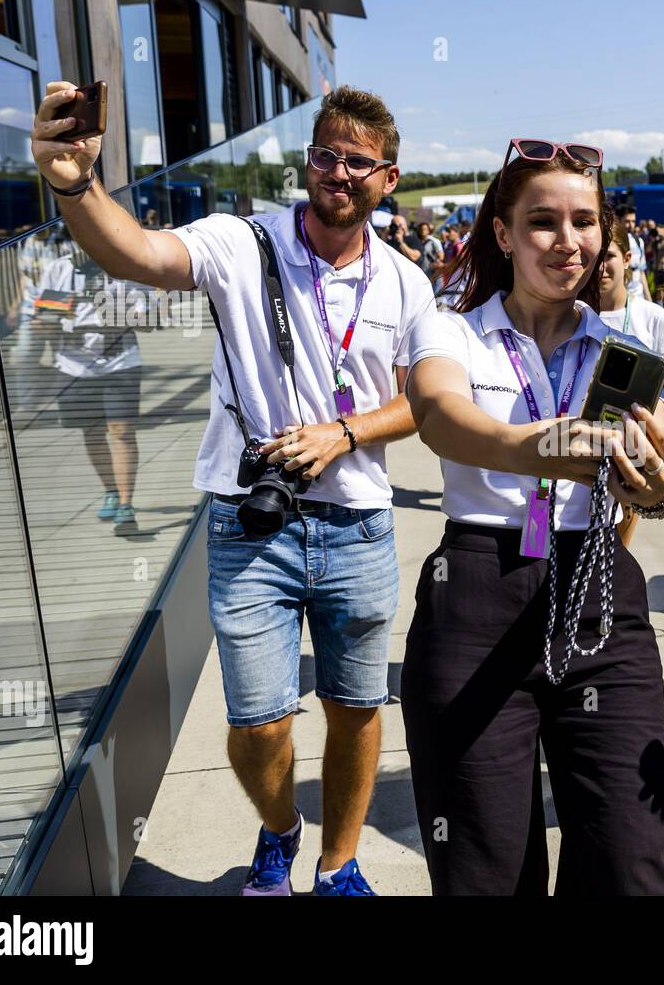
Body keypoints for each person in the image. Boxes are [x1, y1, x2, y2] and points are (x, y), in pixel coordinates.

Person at [32, 82, 432, 896]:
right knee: (258, 721)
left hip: (357, 524)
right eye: (327, 155)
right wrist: (75, 183)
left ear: (389, 180)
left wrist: (344, 432)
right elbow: (135, 254)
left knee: (356, 710)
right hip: (253, 526)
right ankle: (281, 829)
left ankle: (338, 862)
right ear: (307, 163)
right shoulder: (239, 242)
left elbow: (423, 399)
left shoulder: (405, 282)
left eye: (360, 163)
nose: (340, 172)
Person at [403, 138, 664, 895]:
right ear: (502, 233)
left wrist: (662, 483)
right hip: (475, 590)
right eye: (543, 222)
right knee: (483, 868)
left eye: (585, 221)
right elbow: (439, 416)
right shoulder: (450, 330)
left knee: (634, 856)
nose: (569, 241)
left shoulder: (623, 351)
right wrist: (533, 448)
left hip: (599, 592)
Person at [36, 249, 142, 535]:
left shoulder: (124, 261)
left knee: (121, 429)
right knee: (92, 431)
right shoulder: (59, 269)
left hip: (120, 360)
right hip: (73, 364)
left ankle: (125, 501)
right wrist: (51, 320)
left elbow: (149, 314)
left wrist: (130, 317)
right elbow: (46, 318)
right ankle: (110, 489)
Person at [598, 221, 664, 547]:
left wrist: (643, 396)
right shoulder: (569, 316)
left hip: (631, 452)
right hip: (578, 449)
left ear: (627, 258)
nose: (601, 268)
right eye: (594, 258)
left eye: (609, 256)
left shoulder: (655, 320)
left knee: (615, 555)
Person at [616, 205, 648, 296]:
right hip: (621, 297)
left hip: (639, 295)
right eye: (627, 221)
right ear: (618, 221)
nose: (631, 225)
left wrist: (648, 298)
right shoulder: (611, 243)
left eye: (633, 221)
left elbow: (641, 272)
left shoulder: (639, 241)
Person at [649, 219, 664, 311]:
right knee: (659, 287)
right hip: (657, 267)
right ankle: (660, 306)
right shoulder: (655, 240)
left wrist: (662, 235)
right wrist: (652, 240)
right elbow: (647, 250)